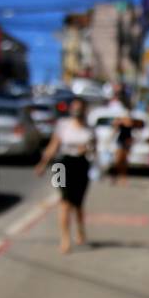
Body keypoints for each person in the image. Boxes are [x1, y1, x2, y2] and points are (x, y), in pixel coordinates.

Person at [35, 97, 94, 254]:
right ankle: (65, 238)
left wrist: (87, 149)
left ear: (85, 110)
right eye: (74, 107)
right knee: (64, 201)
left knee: (78, 203)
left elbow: (94, 149)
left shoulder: (89, 129)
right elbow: (53, 145)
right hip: (61, 165)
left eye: (80, 108)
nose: (77, 110)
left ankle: (81, 229)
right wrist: (42, 164)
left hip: (81, 165)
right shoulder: (63, 125)